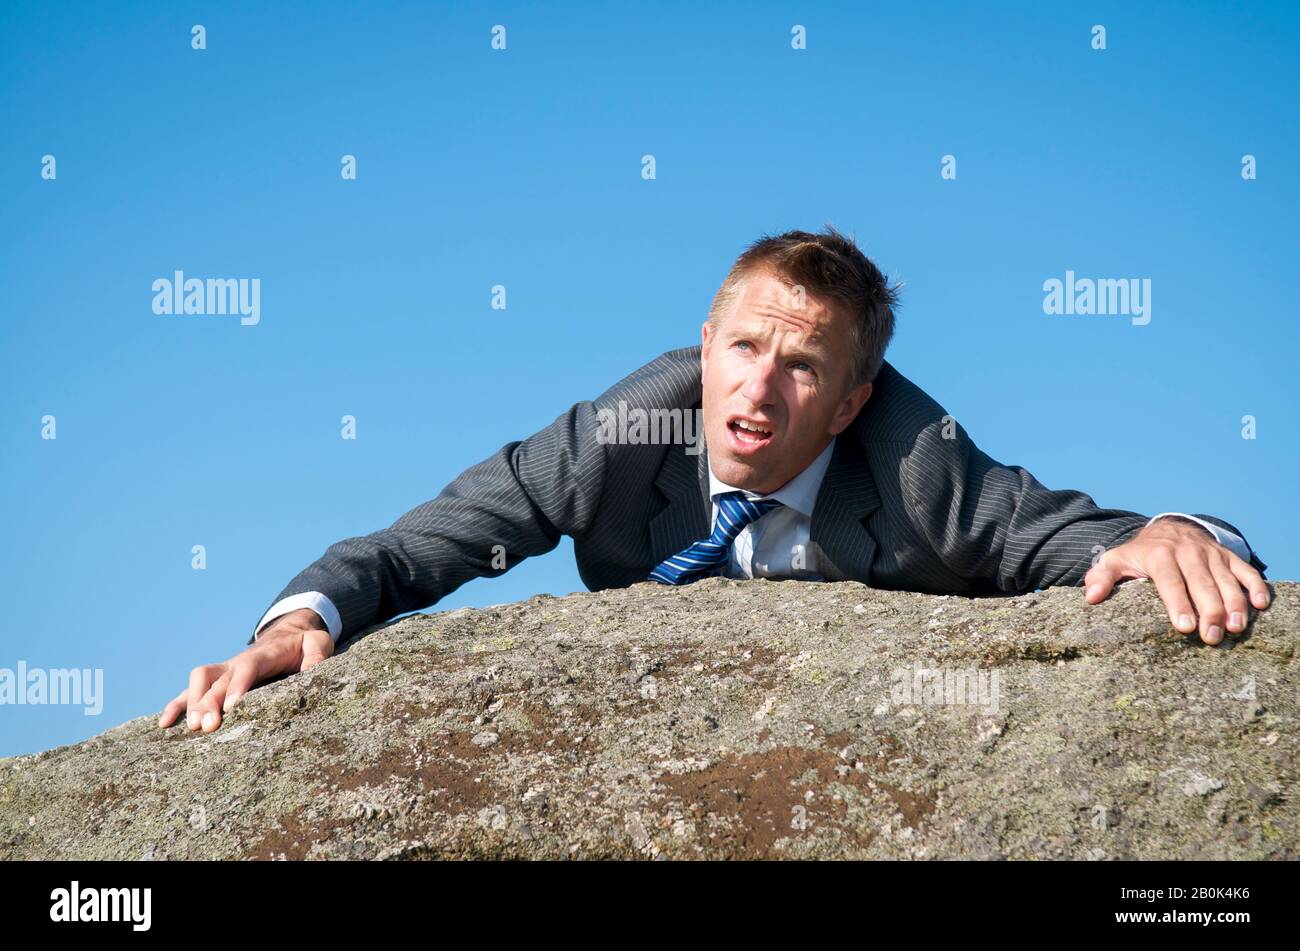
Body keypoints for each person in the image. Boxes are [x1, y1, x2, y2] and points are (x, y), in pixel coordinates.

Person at [160, 227, 1270, 734]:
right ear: (704, 342)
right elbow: (423, 545)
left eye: (801, 367)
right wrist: (298, 618)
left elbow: (1072, 538)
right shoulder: (622, 433)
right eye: (741, 349)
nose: (756, 391)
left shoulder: (916, 465)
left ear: (848, 401)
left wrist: (1176, 528)